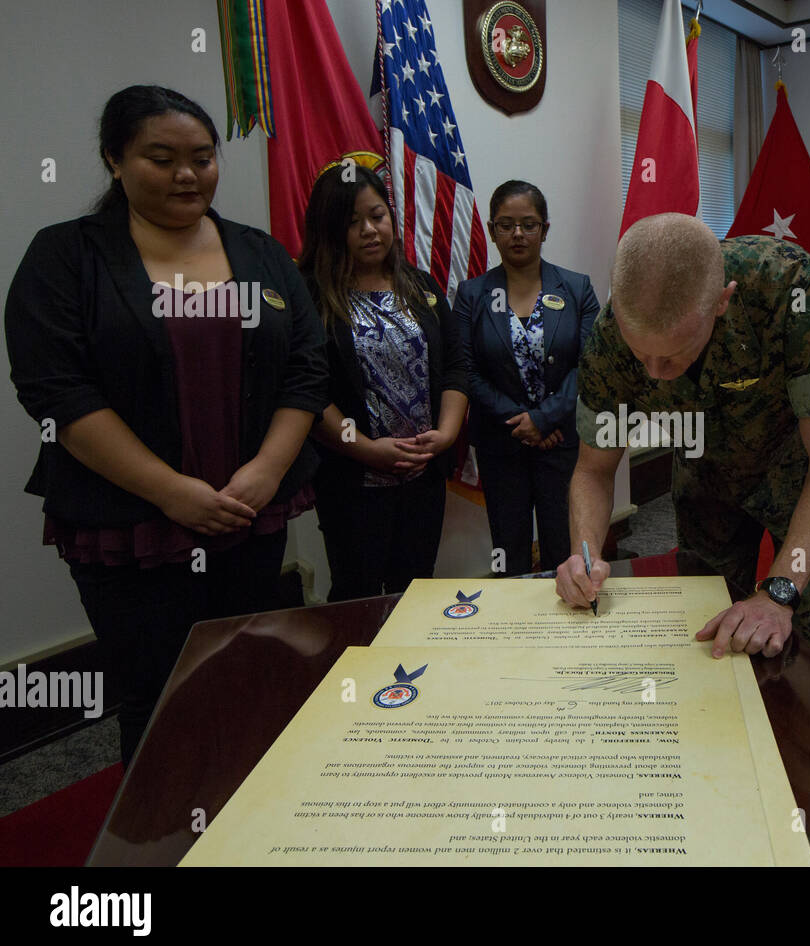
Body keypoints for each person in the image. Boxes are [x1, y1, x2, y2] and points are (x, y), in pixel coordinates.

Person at [4, 86, 329, 766]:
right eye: (162, 157)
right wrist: (169, 491)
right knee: (159, 696)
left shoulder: (261, 253)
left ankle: (242, 822)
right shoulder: (66, 257)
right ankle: (159, 845)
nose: (188, 174)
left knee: (240, 674)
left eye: (203, 157)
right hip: (130, 524)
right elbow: (55, 391)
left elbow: (306, 366)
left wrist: (268, 470)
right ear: (114, 161)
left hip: (250, 512)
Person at [555, 213, 810, 665]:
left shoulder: (798, 291)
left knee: (803, 647)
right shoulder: (610, 335)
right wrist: (582, 554)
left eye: (671, 357)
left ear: (721, 302)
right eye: (639, 353)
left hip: (807, 478)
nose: (653, 373)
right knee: (706, 630)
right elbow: (593, 469)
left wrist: (780, 592)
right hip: (707, 477)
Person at [300, 164, 468, 599]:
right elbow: (308, 392)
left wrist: (446, 434)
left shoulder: (420, 286)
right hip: (352, 481)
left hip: (423, 476)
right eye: (352, 222)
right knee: (356, 592)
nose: (370, 230)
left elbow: (455, 365)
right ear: (328, 228)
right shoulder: (311, 296)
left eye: (377, 216)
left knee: (415, 589)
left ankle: (409, 668)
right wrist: (368, 450)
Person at [453, 181, 599, 575]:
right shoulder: (471, 294)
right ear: (491, 229)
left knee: (562, 548)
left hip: (562, 442)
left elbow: (590, 365)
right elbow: (466, 370)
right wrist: (525, 423)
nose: (518, 234)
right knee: (508, 551)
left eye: (529, 224)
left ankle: (562, 630)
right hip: (502, 445)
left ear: (545, 230)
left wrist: (546, 419)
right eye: (506, 225)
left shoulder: (576, 288)